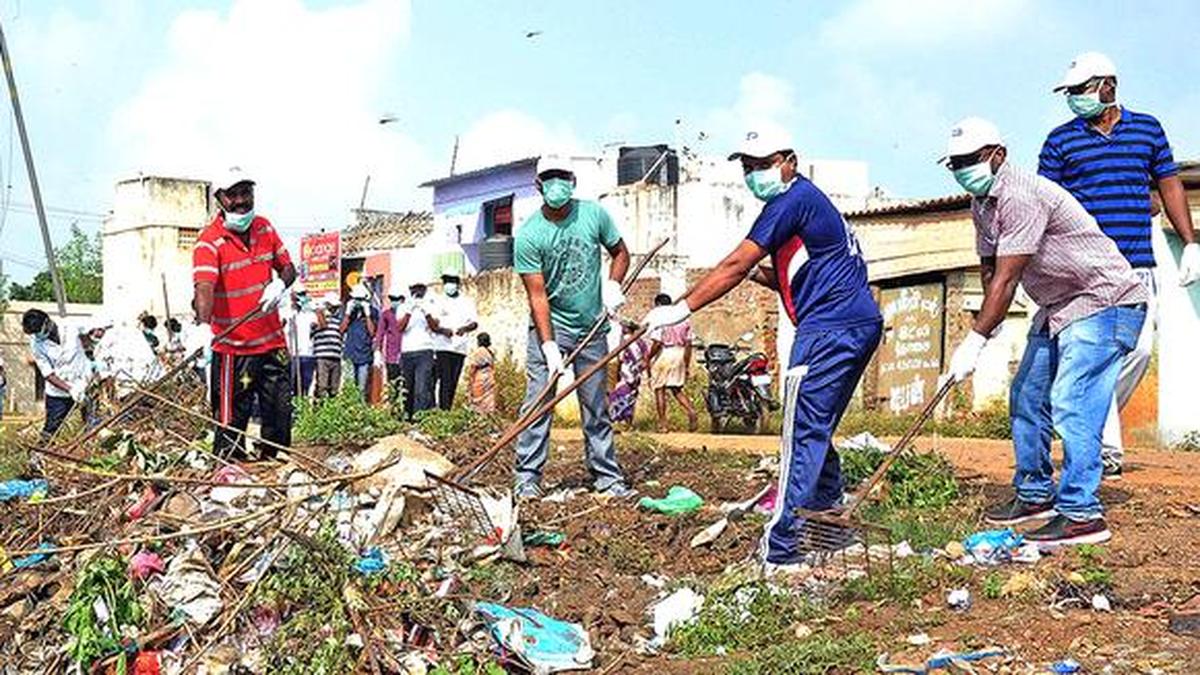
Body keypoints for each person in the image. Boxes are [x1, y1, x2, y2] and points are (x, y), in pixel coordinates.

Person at [644, 130, 882, 572]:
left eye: (762, 163)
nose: (754, 174)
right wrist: (756, 275)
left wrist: (681, 308)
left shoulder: (790, 201)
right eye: (747, 167)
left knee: (800, 432)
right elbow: (789, 277)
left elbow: (734, 264)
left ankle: (782, 547)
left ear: (790, 160)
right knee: (815, 423)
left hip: (828, 330)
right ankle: (831, 521)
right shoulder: (812, 206)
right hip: (855, 323)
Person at [942, 117, 1147, 547]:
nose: (962, 170)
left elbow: (1008, 277)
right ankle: (1036, 495)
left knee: (1073, 400)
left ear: (997, 155)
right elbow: (989, 269)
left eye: (969, 161)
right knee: (1028, 395)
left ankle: (1082, 514)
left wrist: (974, 340)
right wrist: (989, 322)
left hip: (1104, 299)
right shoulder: (983, 201)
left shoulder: (1019, 193)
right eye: (954, 163)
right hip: (1059, 305)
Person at [1038, 52, 1199, 480]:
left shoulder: (1147, 129)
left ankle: (1089, 419)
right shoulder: (1059, 142)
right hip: (1084, 270)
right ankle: (1105, 447)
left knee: (1140, 350)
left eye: (1080, 90)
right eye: (1070, 92)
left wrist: (1190, 243)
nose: (1073, 98)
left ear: (1108, 85)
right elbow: (1044, 206)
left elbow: (1168, 183)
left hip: (1137, 264)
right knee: (1099, 354)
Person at [512, 154, 634, 499]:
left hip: (592, 326)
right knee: (538, 402)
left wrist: (612, 285)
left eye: (562, 176)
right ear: (538, 186)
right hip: (548, 327)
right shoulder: (529, 235)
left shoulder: (594, 215)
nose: (556, 183)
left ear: (573, 180)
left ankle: (607, 477)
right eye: (549, 177)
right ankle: (527, 478)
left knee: (595, 404)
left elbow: (620, 253)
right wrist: (549, 346)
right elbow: (537, 296)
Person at [192, 165, 296, 460]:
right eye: (233, 195)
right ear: (220, 200)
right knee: (230, 425)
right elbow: (204, 288)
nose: (240, 200)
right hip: (232, 350)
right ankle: (229, 474)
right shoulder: (209, 241)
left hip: (272, 344)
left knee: (279, 415)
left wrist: (280, 284)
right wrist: (202, 326)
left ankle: (273, 471)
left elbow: (288, 267)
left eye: (246, 193)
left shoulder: (265, 227)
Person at [22, 308, 96, 441]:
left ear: (47, 323)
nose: (37, 335)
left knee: (92, 423)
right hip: (58, 392)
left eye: (38, 331)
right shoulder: (36, 343)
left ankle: (92, 449)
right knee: (51, 428)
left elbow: (93, 331)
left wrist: (92, 343)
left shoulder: (70, 326)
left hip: (83, 382)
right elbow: (48, 374)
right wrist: (71, 389)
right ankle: (39, 455)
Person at [647, 293, 699, 432]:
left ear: (658, 305)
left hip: (665, 353)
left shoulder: (661, 319)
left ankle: (663, 424)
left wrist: (649, 356)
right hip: (680, 353)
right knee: (676, 389)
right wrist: (686, 364)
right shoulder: (683, 319)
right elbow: (689, 344)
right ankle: (691, 411)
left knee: (659, 389)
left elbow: (657, 342)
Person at [429, 273, 479, 410]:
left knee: (453, 381)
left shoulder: (466, 302)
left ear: (457, 283)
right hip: (442, 346)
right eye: (447, 281)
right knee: (445, 380)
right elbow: (432, 324)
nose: (449, 284)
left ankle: (448, 409)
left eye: (452, 281)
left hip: (459, 347)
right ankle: (444, 410)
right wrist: (443, 330)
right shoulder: (438, 301)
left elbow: (474, 323)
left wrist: (464, 328)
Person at [398, 279, 436, 419]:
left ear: (425, 290)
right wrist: (410, 310)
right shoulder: (403, 307)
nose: (418, 292)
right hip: (407, 350)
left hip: (425, 350)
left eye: (420, 289)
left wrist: (426, 312)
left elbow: (435, 327)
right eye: (415, 289)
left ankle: (419, 418)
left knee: (422, 386)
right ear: (410, 291)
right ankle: (407, 417)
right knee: (408, 386)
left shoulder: (430, 305)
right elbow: (400, 328)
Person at [607, 320, 650, 428]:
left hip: (626, 370)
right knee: (632, 395)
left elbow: (621, 357)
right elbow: (646, 357)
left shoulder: (624, 342)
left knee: (619, 393)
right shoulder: (640, 341)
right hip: (636, 371)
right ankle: (629, 421)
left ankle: (618, 417)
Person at [340, 283, 377, 397]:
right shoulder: (348, 311)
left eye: (360, 299)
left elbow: (372, 332)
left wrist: (367, 314)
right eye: (356, 299)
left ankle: (359, 412)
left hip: (364, 355)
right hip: (350, 355)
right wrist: (348, 313)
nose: (358, 302)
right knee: (349, 387)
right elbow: (341, 329)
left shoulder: (373, 311)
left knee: (361, 388)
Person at [282, 283, 318, 397]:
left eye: (302, 294)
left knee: (304, 386)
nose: (300, 296)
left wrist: (315, 307)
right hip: (292, 354)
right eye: (298, 294)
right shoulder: (286, 311)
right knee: (290, 385)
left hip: (307, 353)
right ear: (292, 295)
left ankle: (302, 409)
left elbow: (321, 325)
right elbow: (280, 329)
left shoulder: (309, 311)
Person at [374, 283, 406, 404]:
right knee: (393, 384)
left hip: (406, 354)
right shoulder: (386, 314)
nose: (394, 301)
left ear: (402, 299)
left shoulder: (407, 314)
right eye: (392, 299)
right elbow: (380, 333)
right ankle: (394, 412)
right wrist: (377, 351)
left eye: (396, 299)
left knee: (406, 386)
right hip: (391, 356)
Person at [312, 293, 344, 398]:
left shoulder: (337, 321)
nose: (335, 309)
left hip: (336, 357)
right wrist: (319, 311)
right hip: (322, 356)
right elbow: (319, 327)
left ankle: (331, 408)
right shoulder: (317, 320)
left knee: (334, 388)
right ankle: (318, 410)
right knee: (322, 385)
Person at [465, 331, 497, 414]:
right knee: (488, 399)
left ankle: (479, 417)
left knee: (478, 400)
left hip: (480, 377)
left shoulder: (478, 352)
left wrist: (470, 380)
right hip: (489, 376)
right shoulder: (490, 352)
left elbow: (473, 366)